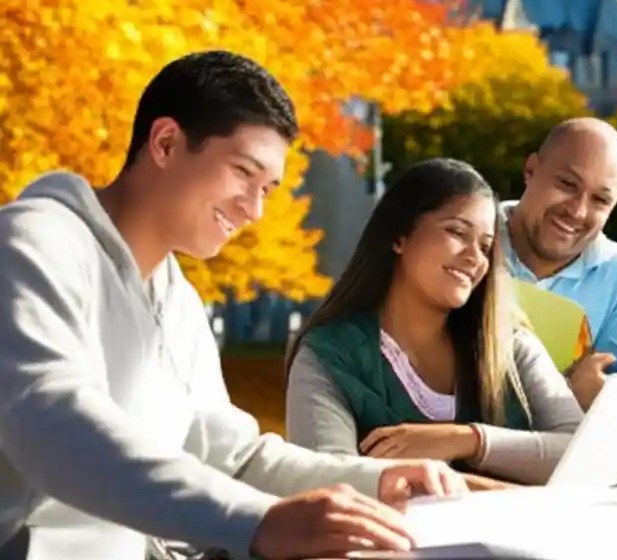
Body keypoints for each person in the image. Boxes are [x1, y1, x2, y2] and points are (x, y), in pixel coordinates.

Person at [0, 51, 464, 560]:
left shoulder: (178, 305)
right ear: (166, 143)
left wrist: (376, 482)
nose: (254, 209)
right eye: (244, 172)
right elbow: (50, 419)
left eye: (267, 188)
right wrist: (256, 521)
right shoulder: (34, 242)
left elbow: (234, 458)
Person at [285, 158, 584, 487]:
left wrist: (467, 439)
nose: (475, 258)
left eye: (485, 247)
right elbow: (331, 484)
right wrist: (500, 491)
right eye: (457, 232)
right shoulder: (328, 354)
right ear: (400, 236)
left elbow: (585, 455)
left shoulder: (510, 343)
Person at [501, 118, 617, 409]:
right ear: (531, 170)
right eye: (567, 184)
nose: (577, 211)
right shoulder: (468, 243)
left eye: (600, 200)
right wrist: (570, 387)